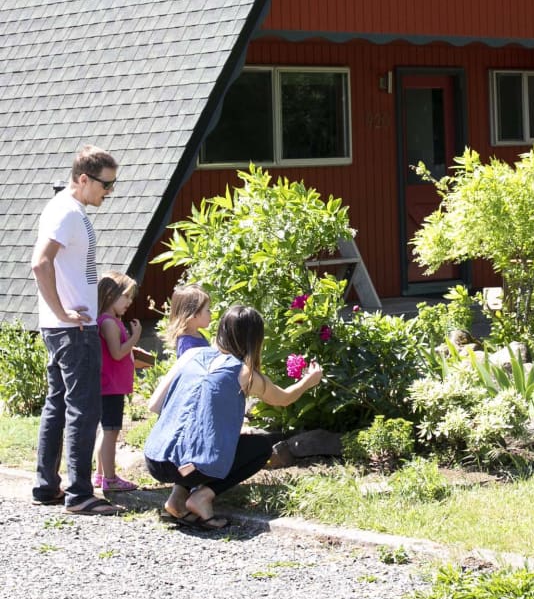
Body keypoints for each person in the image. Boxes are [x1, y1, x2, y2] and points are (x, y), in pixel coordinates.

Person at [144, 304, 322, 529]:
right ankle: (202, 498)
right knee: (260, 448)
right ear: (254, 339)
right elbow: (283, 398)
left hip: (155, 459)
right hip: (193, 468)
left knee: (194, 446)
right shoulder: (244, 373)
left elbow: (154, 405)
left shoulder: (191, 354)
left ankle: (177, 499)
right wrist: (309, 381)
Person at [30, 144, 120, 515]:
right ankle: (80, 494)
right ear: (83, 179)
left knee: (57, 403)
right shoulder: (66, 212)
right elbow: (40, 263)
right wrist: (63, 312)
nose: (109, 192)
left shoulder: (67, 209)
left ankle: (46, 486)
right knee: (84, 408)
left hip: (64, 328)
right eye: (105, 184)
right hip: (73, 331)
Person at [94, 272, 142, 492]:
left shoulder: (109, 321)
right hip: (111, 386)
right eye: (126, 297)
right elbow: (117, 352)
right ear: (110, 294)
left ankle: (100, 475)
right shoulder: (109, 323)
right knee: (111, 432)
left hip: (110, 386)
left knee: (106, 431)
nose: (129, 302)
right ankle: (110, 479)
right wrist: (134, 337)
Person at [164, 284, 212, 358]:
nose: (211, 313)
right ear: (194, 314)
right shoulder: (187, 344)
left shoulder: (196, 334)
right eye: (208, 310)